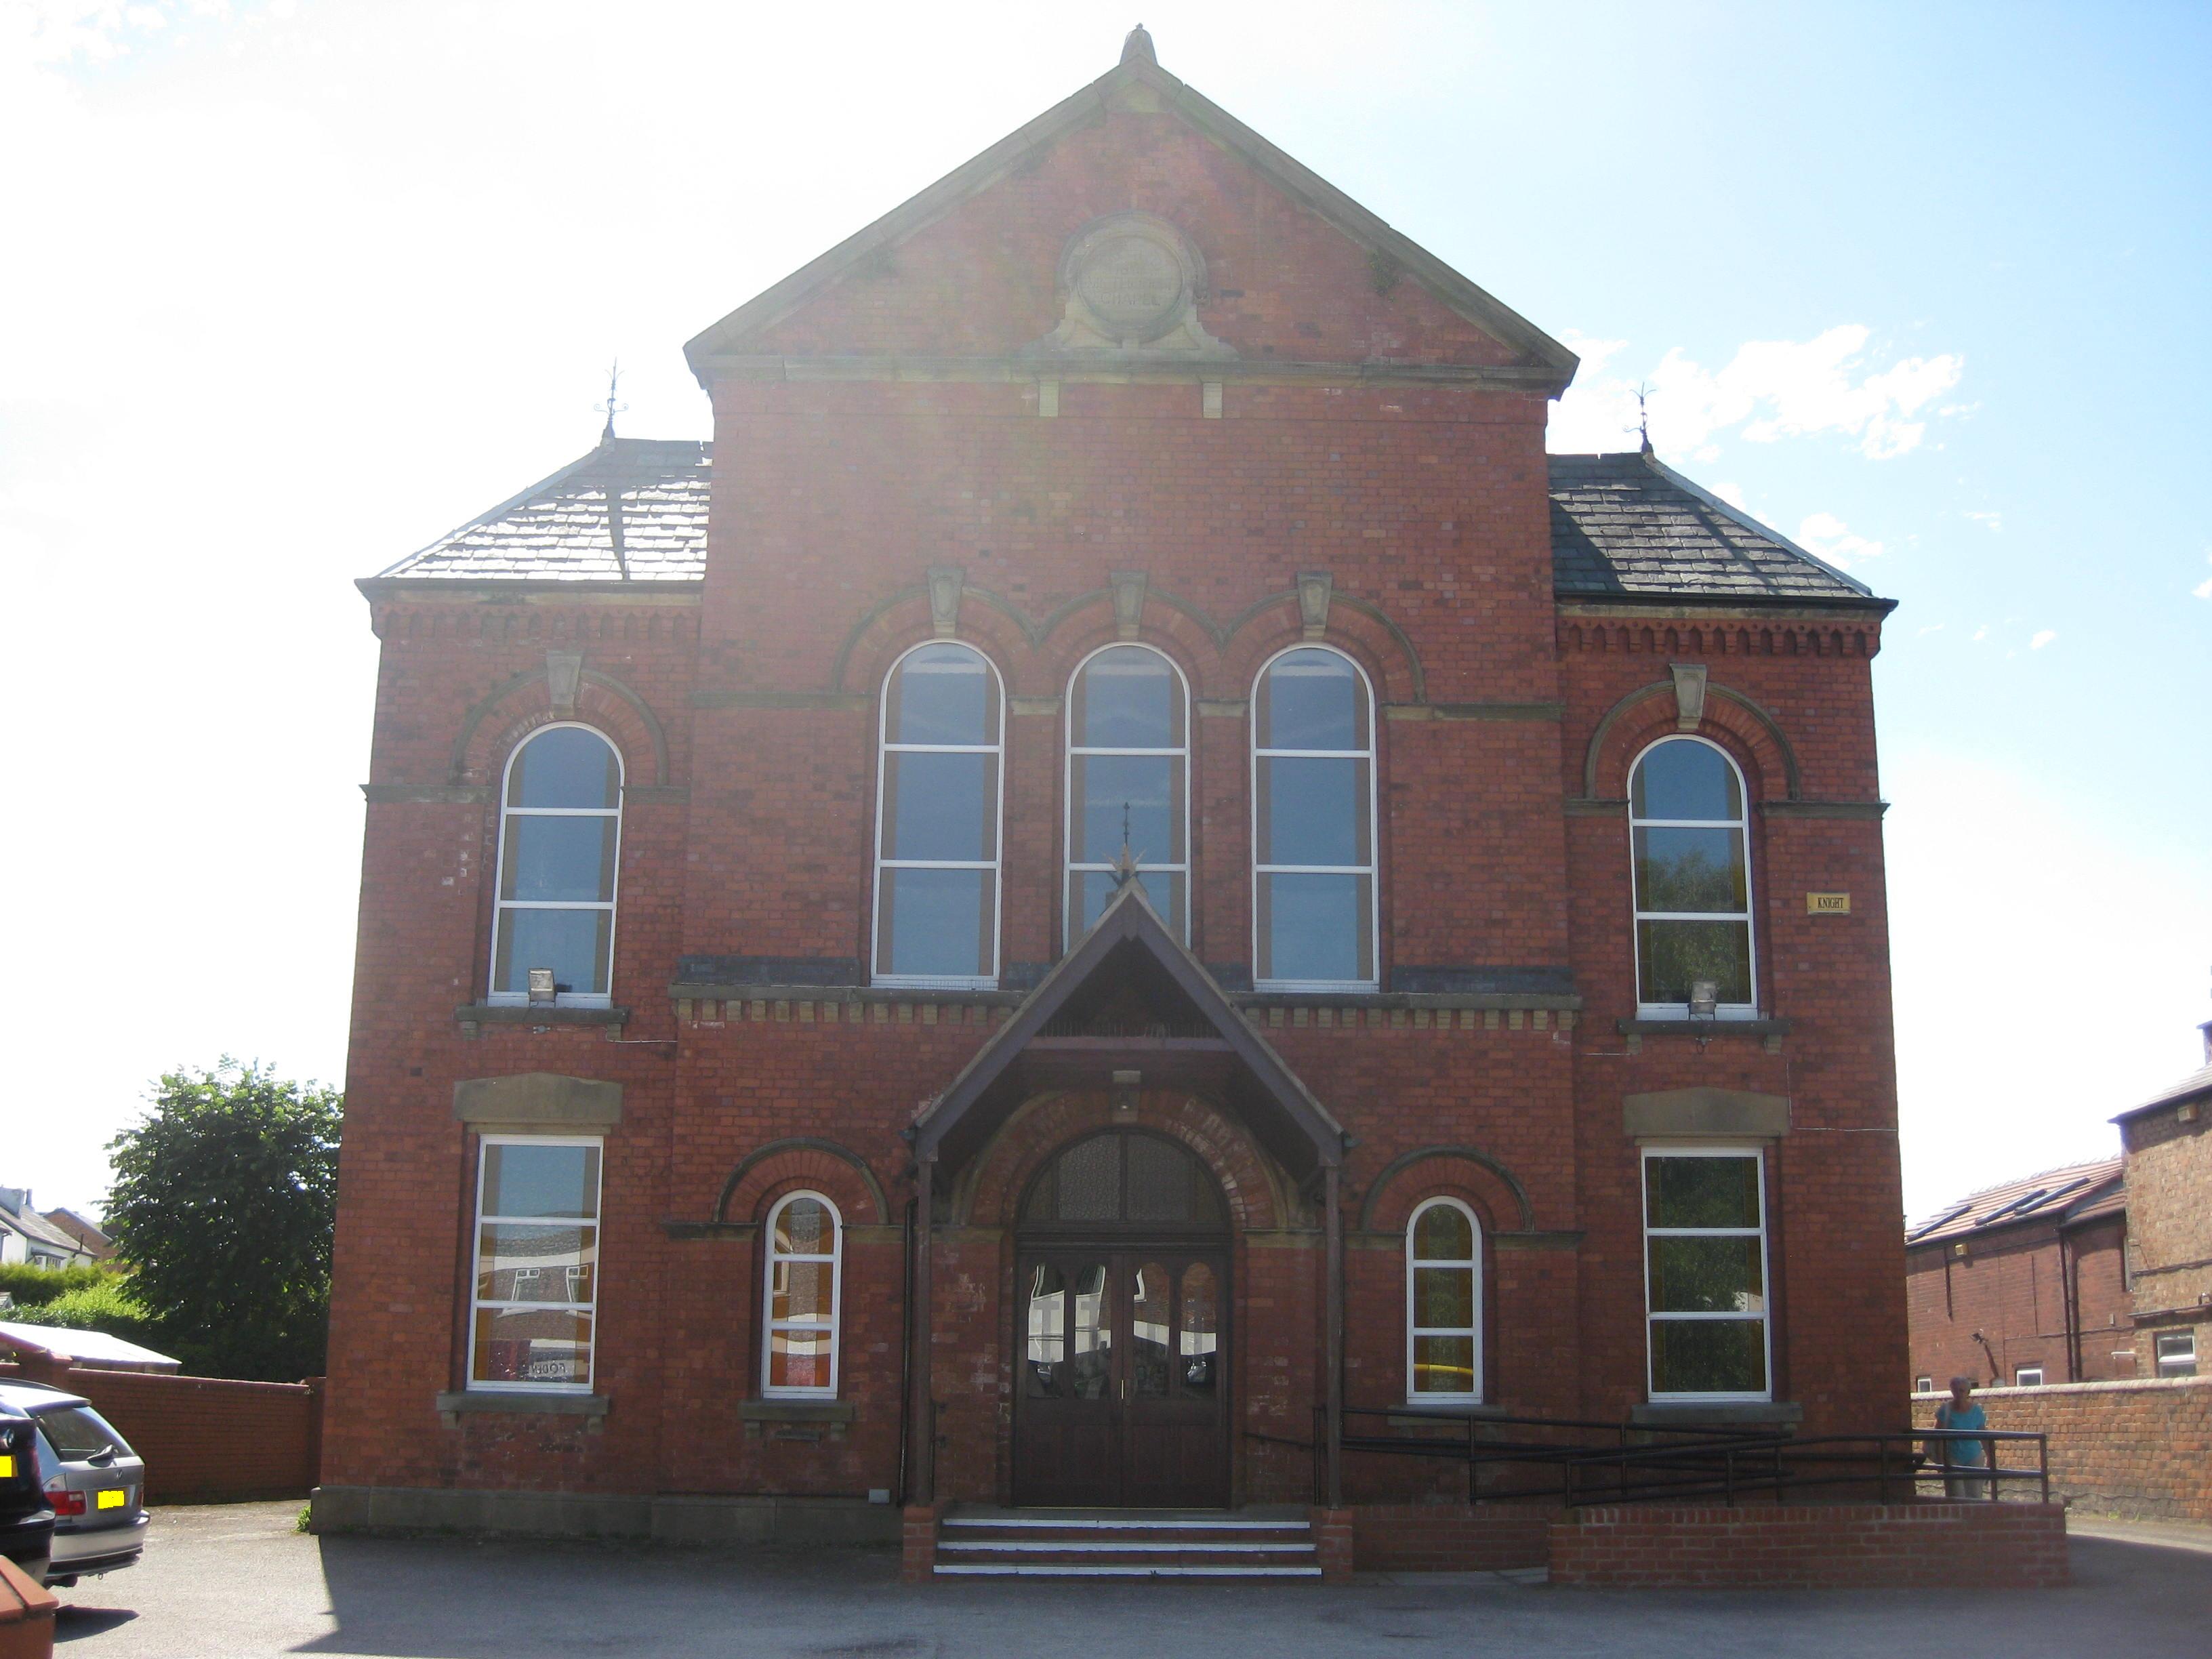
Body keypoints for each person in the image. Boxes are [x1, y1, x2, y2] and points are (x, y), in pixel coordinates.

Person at [1928, 1376, 1990, 1499]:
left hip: (1974, 1457)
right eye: (1956, 1390)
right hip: (1952, 1456)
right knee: (1956, 1495)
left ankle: (1973, 1518)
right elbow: (1939, 1436)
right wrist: (1941, 1460)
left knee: (1975, 1495)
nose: (1959, 1394)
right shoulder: (1945, 1410)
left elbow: (1984, 1435)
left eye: (1962, 1391)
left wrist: (1990, 1457)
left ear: (1968, 1392)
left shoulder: (1976, 1411)